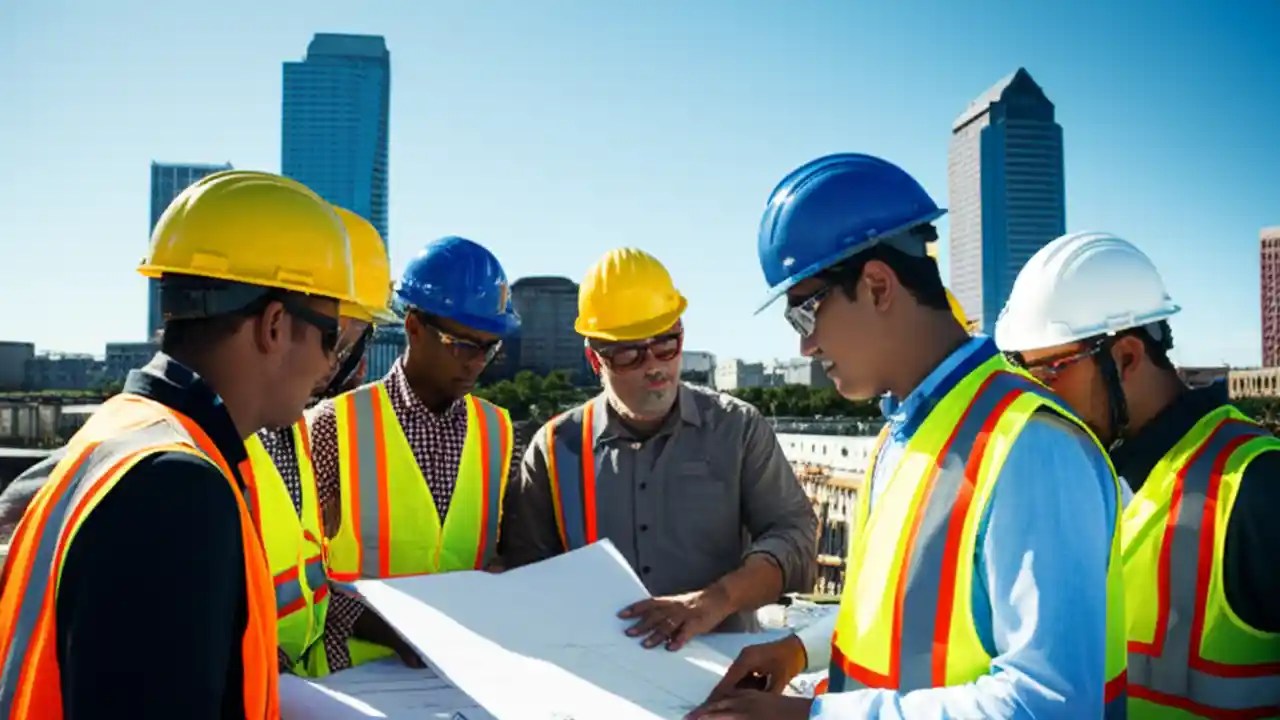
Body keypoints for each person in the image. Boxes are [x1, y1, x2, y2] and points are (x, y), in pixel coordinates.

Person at [689, 153, 1128, 719]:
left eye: (805, 314)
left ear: (876, 285)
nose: (805, 346)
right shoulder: (901, 438)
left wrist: (815, 717)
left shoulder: (1030, 446)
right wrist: (800, 650)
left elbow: (1051, 703)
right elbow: (898, 617)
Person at [0, 169, 356, 718]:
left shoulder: (127, 432)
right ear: (276, 325)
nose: (331, 365)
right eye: (331, 338)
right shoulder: (175, 488)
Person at [994, 231, 1280, 717]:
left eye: (1050, 373)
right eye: (1023, 377)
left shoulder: (1256, 485)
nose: (1035, 400)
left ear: (1126, 357)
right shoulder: (1092, 479)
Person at [501, 247, 818, 651]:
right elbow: (526, 574)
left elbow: (794, 535)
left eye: (667, 344)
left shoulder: (737, 429)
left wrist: (716, 600)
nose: (655, 366)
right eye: (630, 353)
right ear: (595, 360)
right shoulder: (553, 449)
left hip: (721, 675)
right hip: (598, 674)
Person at [306, 235, 523, 673]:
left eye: (489, 347)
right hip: (356, 677)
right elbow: (296, 578)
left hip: (464, 677)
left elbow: (493, 556)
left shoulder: (497, 429)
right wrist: (387, 627)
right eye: (463, 345)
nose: (477, 362)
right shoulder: (335, 423)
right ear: (414, 328)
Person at [244, 205, 422, 678]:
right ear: (277, 323)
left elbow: (306, 584)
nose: (344, 365)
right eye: (340, 343)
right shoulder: (203, 452)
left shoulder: (292, 430)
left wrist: (385, 626)